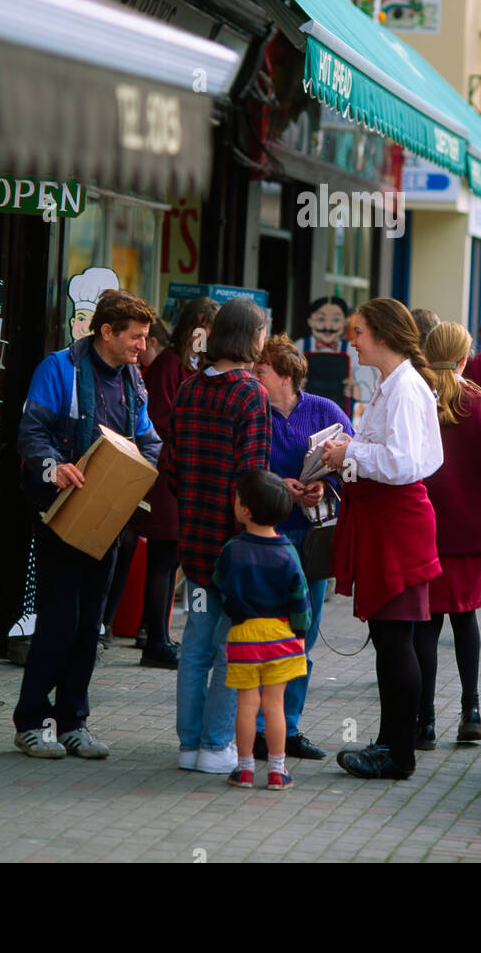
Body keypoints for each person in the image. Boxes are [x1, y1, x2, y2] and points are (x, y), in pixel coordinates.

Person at [14, 289, 161, 759]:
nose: (142, 346)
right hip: (61, 514)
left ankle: (74, 721)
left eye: (144, 338)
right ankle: (30, 723)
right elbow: (31, 433)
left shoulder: (134, 380)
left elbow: (150, 442)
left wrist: (137, 474)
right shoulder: (58, 368)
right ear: (106, 332)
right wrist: (54, 466)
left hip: (110, 520)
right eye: (136, 337)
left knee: (91, 625)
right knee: (59, 621)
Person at [321, 298, 443, 781]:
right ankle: (392, 741)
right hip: (387, 519)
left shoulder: (406, 388)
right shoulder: (396, 384)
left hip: (397, 522)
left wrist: (350, 451)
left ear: (385, 336)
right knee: (391, 637)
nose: (353, 340)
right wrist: (349, 453)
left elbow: (404, 462)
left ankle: (398, 751)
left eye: (359, 332)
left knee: (395, 639)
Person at [163, 298, 270, 775]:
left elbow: (171, 466)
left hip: (195, 541)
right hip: (236, 549)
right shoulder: (250, 394)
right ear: (250, 337)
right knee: (232, 651)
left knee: (195, 647)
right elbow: (253, 477)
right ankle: (215, 744)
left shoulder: (187, 390)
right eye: (263, 332)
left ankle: (189, 747)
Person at [413, 322, 481, 746]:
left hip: (422, 527)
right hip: (474, 531)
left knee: (425, 623)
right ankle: (471, 710)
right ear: (465, 359)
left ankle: (424, 721)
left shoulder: (414, 401)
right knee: (465, 619)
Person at [103, 297, 220, 664]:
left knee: (168, 558)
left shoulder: (191, 365)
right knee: (163, 555)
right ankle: (155, 637)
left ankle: (154, 633)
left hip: (180, 469)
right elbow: (156, 419)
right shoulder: (171, 363)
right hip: (166, 469)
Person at [253, 333, 352, 761]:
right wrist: (279, 487)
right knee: (262, 634)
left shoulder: (324, 410)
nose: (254, 377)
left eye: (261, 371)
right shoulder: (253, 411)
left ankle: (288, 729)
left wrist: (322, 483)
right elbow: (245, 467)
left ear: (287, 376)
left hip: (311, 539)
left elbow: (354, 458)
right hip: (267, 538)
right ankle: (257, 728)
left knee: (302, 638)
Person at [213, 470, 312, 791]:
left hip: (243, 636)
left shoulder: (232, 550)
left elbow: (221, 584)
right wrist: (301, 630)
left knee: (246, 704)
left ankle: (243, 769)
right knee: (274, 705)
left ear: (245, 511)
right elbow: (300, 599)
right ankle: (277, 771)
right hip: (281, 637)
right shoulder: (287, 553)